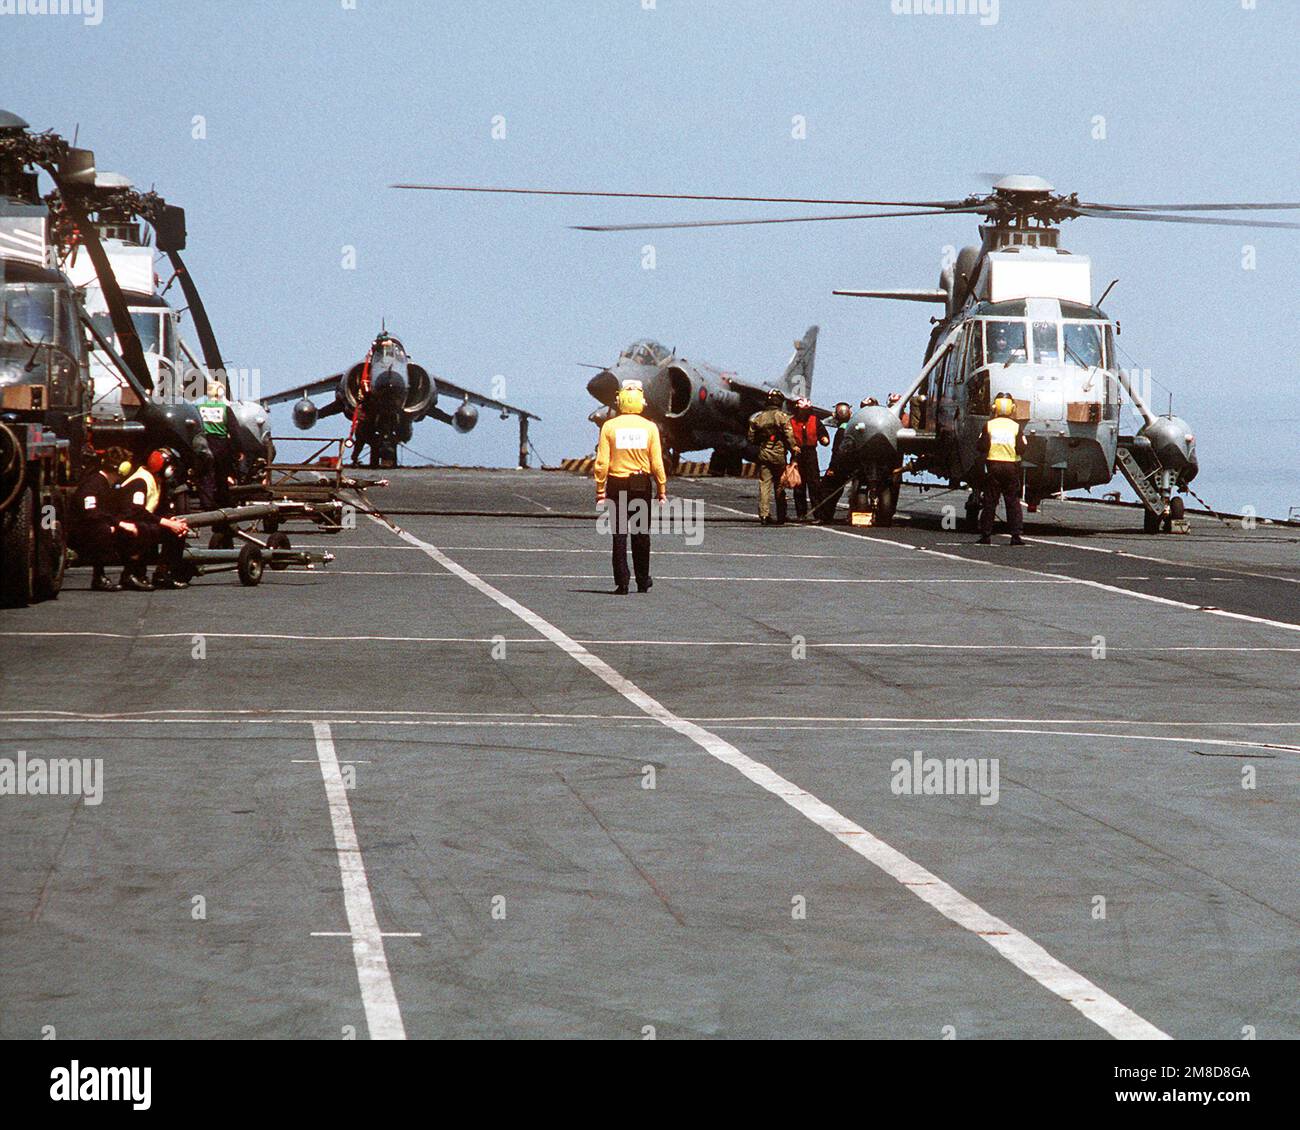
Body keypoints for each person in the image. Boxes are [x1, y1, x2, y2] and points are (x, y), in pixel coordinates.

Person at [594, 379, 667, 594]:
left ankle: (622, 582)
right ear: (641, 402)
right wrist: (661, 489)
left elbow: (601, 464)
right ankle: (643, 581)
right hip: (641, 483)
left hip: (617, 483)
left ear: (619, 401)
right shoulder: (650, 428)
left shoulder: (609, 426)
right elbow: (657, 463)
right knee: (641, 533)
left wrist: (600, 491)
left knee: (619, 533)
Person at [976, 391, 1028, 546]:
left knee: (990, 502)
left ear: (995, 408)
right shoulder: (1016, 427)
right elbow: (1021, 448)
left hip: (993, 467)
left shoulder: (989, 425)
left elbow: (981, 446)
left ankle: (986, 535)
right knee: (1012, 502)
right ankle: (1016, 536)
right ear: (1012, 408)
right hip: (1011, 467)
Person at [747, 387, 799, 525]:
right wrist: (794, 448)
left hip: (764, 453)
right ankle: (781, 515)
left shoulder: (758, 418)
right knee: (780, 484)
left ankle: (764, 515)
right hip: (778, 454)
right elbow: (789, 435)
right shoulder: (781, 417)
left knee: (764, 485)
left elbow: (751, 438)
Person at [196, 378, 235, 508]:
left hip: (203, 443)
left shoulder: (198, 407)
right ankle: (223, 502)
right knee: (221, 475)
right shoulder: (225, 408)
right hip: (221, 444)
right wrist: (238, 449)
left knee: (205, 474)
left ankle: (206, 503)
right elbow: (233, 429)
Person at [789, 398, 829, 521]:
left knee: (815, 486)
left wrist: (823, 439)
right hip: (797, 455)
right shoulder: (791, 422)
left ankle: (819, 515)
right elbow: (787, 437)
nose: (804, 413)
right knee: (799, 486)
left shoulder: (815, 421)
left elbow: (823, 434)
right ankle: (801, 514)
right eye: (802, 410)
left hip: (811, 454)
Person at [813, 402, 854, 522]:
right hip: (850, 466)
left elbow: (837, 451)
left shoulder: (842, 432)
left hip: (839, 467)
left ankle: (824, 516)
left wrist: (832, 468)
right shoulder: (852, 428)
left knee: (826, 489)